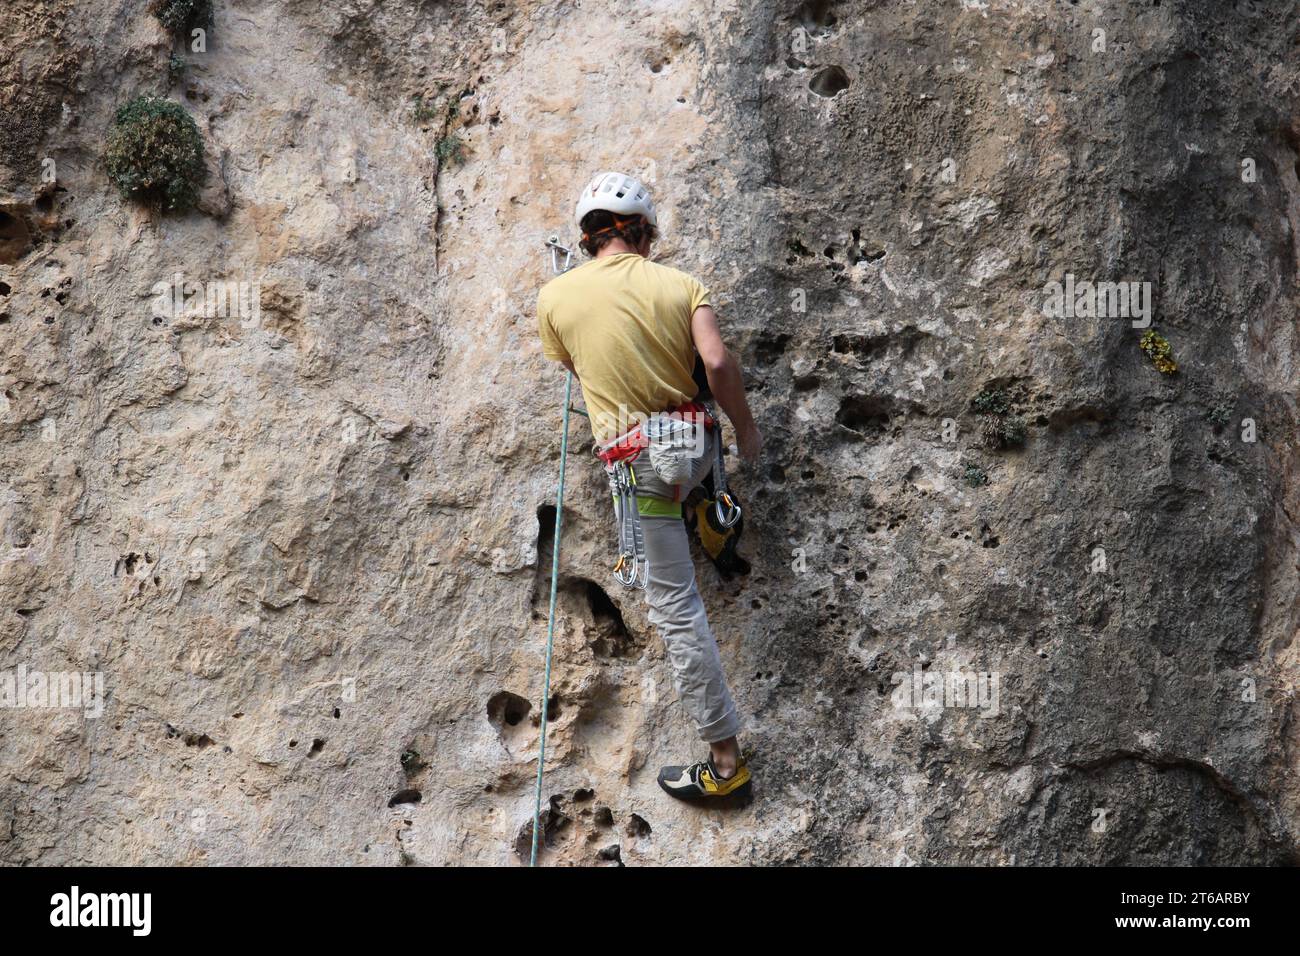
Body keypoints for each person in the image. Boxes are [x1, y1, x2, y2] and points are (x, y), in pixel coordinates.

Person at [537, 171, 762, 801]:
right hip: (696, 444)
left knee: (677, 608)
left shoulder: (555, 299)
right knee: (693, 449)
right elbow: (715, 364)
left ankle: (726, 767)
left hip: (636, 462)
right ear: (643, 230)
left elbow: (573, 364)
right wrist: (746, 431)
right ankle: (716, 517)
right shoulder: (683, 285)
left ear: (587, 239)